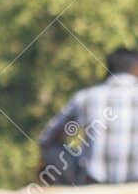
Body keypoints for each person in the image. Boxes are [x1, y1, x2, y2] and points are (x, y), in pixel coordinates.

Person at [38, 47, 138, 185]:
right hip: (134, 180)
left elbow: (46, 139)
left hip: (93, 181)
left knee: (51, 151)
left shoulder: (85, 97)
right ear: (136, 68)